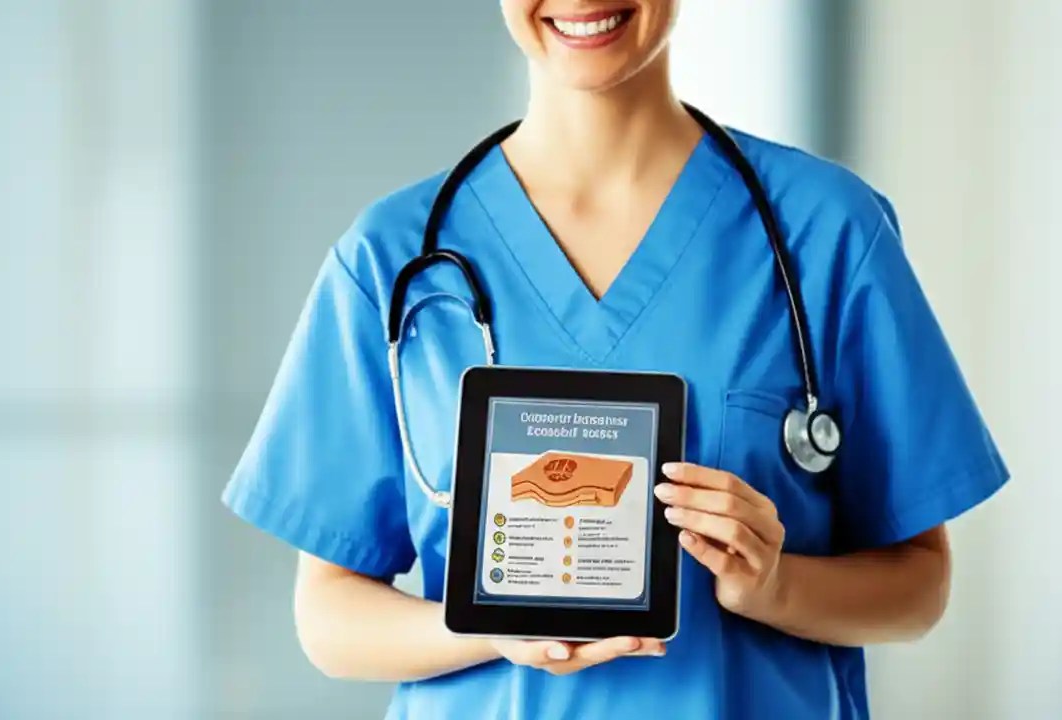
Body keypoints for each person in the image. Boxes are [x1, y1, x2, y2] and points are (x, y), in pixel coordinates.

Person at [221, 1, 1010, 718]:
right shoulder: (392, 258)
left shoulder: (825, 232)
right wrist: (490, 630)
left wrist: (778, 585)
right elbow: (327, 617)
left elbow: (919, 585)